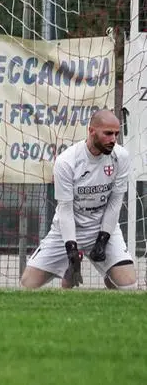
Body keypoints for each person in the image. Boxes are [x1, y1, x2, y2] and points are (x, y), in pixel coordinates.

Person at [20, 109, 137, 290]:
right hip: (67, 230)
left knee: (128, 286)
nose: (113, 139)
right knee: (27, 284)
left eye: (116, 134)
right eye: (108, 133)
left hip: (102, 227)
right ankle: (70, 269)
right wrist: (71, 248)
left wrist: (103, 239)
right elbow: (65, 210)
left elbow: (115, 203)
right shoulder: (67, 162)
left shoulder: (121, 157)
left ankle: (109, 275)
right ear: (91, 131)